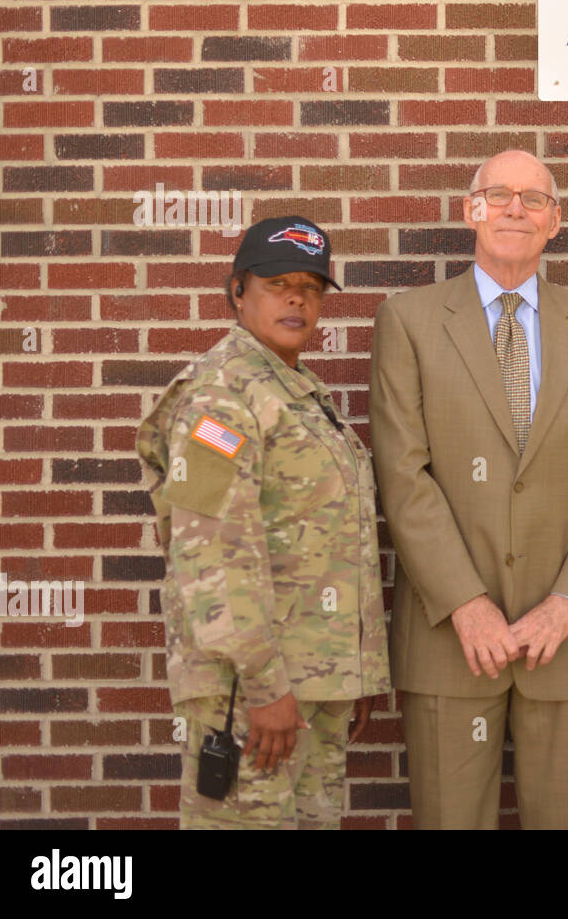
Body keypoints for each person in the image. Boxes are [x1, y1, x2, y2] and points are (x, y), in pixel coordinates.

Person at [369, 149, 568, 830]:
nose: (515, 208)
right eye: (498, 194)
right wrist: (466, 604)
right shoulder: (407, 320)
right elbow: (404, 476)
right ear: (472, 210)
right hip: (451, 642)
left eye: (533, 198)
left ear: (557, 221)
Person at [137, 216, 391, 829]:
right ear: (237, 292)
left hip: (311, 684)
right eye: (279, 284)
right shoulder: (222, 395)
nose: (298, 298)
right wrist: (263, 687)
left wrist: (348, 669)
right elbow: (211, 555)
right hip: (252, 697)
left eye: (312, 286)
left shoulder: (295, 388)